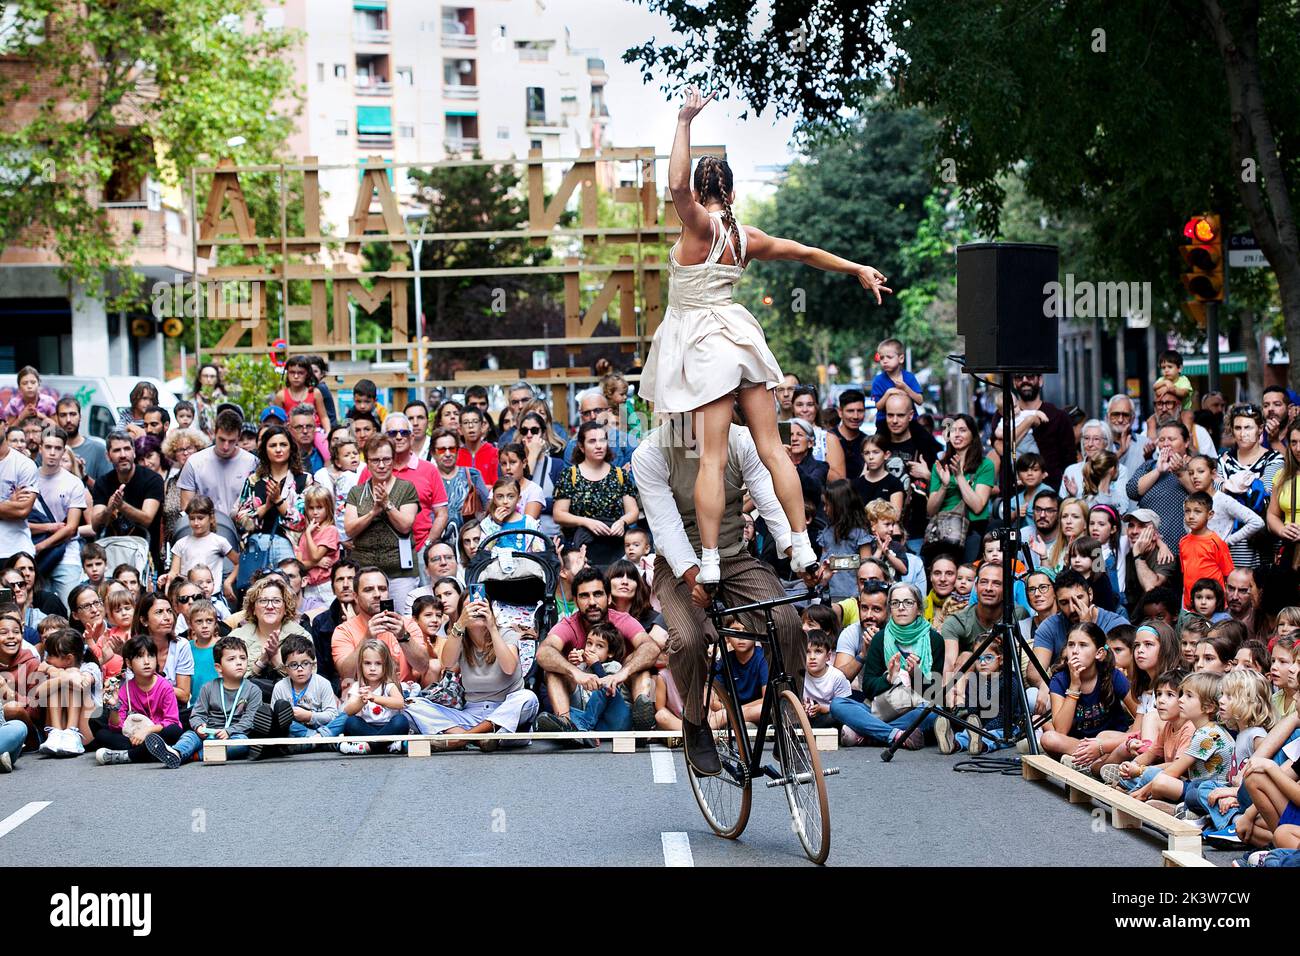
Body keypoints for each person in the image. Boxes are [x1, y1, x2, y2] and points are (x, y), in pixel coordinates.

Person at [641, 89, 891, 586]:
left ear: (704, 194)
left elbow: (674, 184)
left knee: (713, 456)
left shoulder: (697, 227)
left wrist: (684, 121)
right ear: (732, 194)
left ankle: (709, 557)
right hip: (740, 337)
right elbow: (806, 253)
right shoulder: (744, 236)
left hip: (705, 346)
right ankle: (799, 542)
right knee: (773, 448)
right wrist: (857, 268)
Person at [632, 413, 814, 775]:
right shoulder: (650, 452)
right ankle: (696, 724)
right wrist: (693, 576)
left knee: (788, 623)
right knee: (687, 639)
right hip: (680, 562)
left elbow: (768, 500)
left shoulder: (741, 439)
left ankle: (786, 721)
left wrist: (797, 554)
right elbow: (666, 526)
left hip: (734, 556)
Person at [406, 596, 539, 749]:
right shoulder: (459, 638)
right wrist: (460, 624)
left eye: (481, 605)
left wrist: (492, 628)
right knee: (412, 704)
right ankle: (479, 738)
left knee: (528, 698)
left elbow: (509, 668)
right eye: (470, 607)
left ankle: (460, 740)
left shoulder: (506, 633)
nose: (476, 610)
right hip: (472, 713)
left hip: (505, 710)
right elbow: (447, 664)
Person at [831, 582, 943, 749]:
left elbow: (934, 693)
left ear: (919, 608)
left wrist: (916, 676)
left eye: (908, 602)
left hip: (914, 705)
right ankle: (896, 735)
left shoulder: (934, 639)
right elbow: (868, 687)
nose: (901, 608)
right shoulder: (880, 638)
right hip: (880, 706)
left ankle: (867, 733)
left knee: (934, 712)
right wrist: (888, 678)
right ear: (890, 609)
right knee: (837, 704)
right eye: (895, 603)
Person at [163, 636, 267, 767]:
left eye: (243, 658)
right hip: (208, 735)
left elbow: (249, 720)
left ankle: (195, 755)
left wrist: (229, 731)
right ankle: (175, 753)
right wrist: (199, 726)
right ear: (218, 667)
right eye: (231, 659)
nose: (239, 662)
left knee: (242, 743)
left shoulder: (253, 690)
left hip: (232, 736)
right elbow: (197, 714)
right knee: (189, 735)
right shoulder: (208, 687)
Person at [1040, 621, 1133, 768]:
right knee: (1049, 738)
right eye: (1071, 645)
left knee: (1111, 738)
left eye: (1083, 645)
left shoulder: (1112, 675)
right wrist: (1074, 685)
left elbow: (1139, 714)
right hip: (1077, 743)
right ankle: (1095, 762)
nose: (1075, 651)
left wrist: (1108, 744)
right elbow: (1061, 730)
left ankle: (1083, 762)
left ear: (1099, 653)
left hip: (1109, 741)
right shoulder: (1060, 679)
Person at [360, 413, 449, 566]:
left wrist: (427, 545)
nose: (399, 437)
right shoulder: (371, 470)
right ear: (384, 438)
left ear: (412, 437)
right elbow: (359, 509)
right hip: (380, 554)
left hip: (420, 550)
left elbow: (441, 513)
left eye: (404, 432)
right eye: (393, 433)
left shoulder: (429, 470)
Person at [345, 435, 421, 611]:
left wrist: (387, 504)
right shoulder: (357, 492)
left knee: (401, 620)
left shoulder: (406, 488)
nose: (381, 465)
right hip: (365, 572)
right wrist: (373, 512)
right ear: (368, 462)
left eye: (386, 459)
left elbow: (405, 525)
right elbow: (350, 529)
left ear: (394, 460)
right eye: (375, 460)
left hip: (400, 572)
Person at [552, 421, 639, 569]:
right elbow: (559, 514)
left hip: (615, 548)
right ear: (581, 446)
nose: (599, 445)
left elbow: (633, 511)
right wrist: (587, 522)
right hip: (582, 551)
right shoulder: (570, 475)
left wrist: (622, 521)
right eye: (592, 441)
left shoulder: (619, 474)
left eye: (602, 440)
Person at [330, 567, 432, 688]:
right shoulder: (343, 631)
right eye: (368, 590)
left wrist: (403, 636)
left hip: (404, 696)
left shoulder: (406, 625)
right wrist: (367, 638)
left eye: (382, 589)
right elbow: (346, 674)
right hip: (364, 698)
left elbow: (423, 666)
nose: (377, 594)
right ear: (355, 597)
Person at [91, 636, 185, 766]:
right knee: (102, 734)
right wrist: (114, 707)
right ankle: (151, 752)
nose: (147, 662)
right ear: (129, 663)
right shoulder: (126, 689)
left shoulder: (165, 686)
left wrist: (146, 731)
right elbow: (118, 727)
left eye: (151, 656)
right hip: (133, 737)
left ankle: (130, 755)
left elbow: (171, 720)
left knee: (174, 730)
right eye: (140, 657)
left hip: (157, 733)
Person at [876, 392, 943, 553]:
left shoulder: (925, 445)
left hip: (917, 528)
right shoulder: (878, 444)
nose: (894, 420)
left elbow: (944, 488)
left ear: (911, 415)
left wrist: (927, 475)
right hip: (880, 528)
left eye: (900, 415)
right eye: (890, 415)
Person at [926, 413, 995, 563]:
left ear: (973, 435)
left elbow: (977, 506)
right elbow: (931, 510)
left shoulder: (986, 465)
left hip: (974, 530)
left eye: (962, 430)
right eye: (953, 430)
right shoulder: (940, 466)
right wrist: (944, 486)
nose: (957, 434)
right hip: (945, 530)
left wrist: (959, 476)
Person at [1031, 569, 1129, 674]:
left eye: (1078, 599)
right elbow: (1034, 676)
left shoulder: (1116, 624)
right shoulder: (1050, 626)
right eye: (1064, 603)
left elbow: (1123, 670)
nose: (1072, 609)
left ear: (1090, 594)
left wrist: (1087, 628)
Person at [177, 408, 257, 522]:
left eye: (231, 441)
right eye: (222, 439)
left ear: (239, 437)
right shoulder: (194, 462)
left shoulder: (252, 463)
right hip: (204, 531)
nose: (226, 446)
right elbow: (186, 508)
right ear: (215, 433)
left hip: (241, 530)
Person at [338, 639, 409, 755]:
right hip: (366, 729)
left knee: (401, 721)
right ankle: (388, 746)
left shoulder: (388, 686)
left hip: (389, 728)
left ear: (385, 665)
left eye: (378, 663)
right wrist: (360, 701)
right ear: (360, 665)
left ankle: (367, 747)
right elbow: (348, 710)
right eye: (367, 663)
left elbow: (400, 703)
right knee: (351, 722)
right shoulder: (357, 686)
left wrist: (374, 698)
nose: (372, 668)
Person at [273, 635, 346, 746]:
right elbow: (277, 720)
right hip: (296, 730)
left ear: (313, 665)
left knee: (346, 717)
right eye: (293, 665)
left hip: (321, 726)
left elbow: (332, 715)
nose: (300, 669)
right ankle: (319, 740)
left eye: (305, 663)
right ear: (285, 669)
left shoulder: (323, 683)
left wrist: (309, 716)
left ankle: (311, 742)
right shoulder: (280, 687)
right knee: (284, 723)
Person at [308, 560, 359, 692]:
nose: (346, 585)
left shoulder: (373, 616)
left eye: (351, 579)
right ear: (332, 588)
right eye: (340, 580)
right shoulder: (321, 623)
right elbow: (321, 670)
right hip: (334, 688)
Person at [1178, 491, 1234, 612]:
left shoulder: (1216, 543)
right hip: (1191, 606)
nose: (1191, 516)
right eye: (1187, 511)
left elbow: (1228, 574)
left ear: (1210, 514)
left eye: (1197, 511)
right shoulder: (1183, 542)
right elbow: (1186, 574)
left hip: (1213, 606)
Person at [562, 389, 638, 470]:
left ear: (609, 412)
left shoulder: (628, 441)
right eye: (587, 413)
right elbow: (570, 480)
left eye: (597, 410)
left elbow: (632, 479)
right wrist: (619, 476)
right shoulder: (573, 446)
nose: (592, 416)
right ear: (581, 417)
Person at [295, 485, 340, 614]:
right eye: (311, 508)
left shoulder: (330, 530)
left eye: (319, 507)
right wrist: (316, 563)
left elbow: (315, 555)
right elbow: (299, 565)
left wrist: (309, 534)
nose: (315, 512)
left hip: (325, 585)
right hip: (309, 585)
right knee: (310, 619)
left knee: (330, 617)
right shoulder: (305, 534)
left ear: (328, 508)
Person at [790, 385, 846, 483]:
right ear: (792, 408)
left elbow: (840, 482)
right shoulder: (781, 435)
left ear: (816, 407)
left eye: (810, 404)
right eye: (799, 405)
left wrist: (812, 463)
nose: (804, 409)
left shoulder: (828, 438)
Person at [0, 425, 40, 562]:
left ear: (3, 425)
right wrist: (9, 503)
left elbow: (22, 510)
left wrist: (13, 506)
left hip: (15, 549)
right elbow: (16, 508)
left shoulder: (24, 464)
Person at [53, 396, 111, 485]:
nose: (68, 420)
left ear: (80, 417)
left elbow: (106, 492)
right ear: (56, 418)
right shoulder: (50, 449)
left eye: (73, 414)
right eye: (63, 415)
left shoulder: (98, 449)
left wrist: (84, 476)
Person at [275, 355, 330, 428]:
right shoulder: (281, 396)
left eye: (300, 373)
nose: (296, 376)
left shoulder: (315, 393)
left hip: (313, 433)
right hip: (290, 435)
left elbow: (324, 417)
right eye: (292, 372)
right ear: (287, 373)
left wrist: (327, 433)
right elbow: (278, 421)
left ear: (307, 374)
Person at [456, 407, 499, 486]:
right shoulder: (456, 456)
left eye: (475, 422)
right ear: (460, 430)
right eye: (466, 423)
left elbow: (499, 485)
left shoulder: (494, 453)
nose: (471, 426)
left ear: (482, 426)